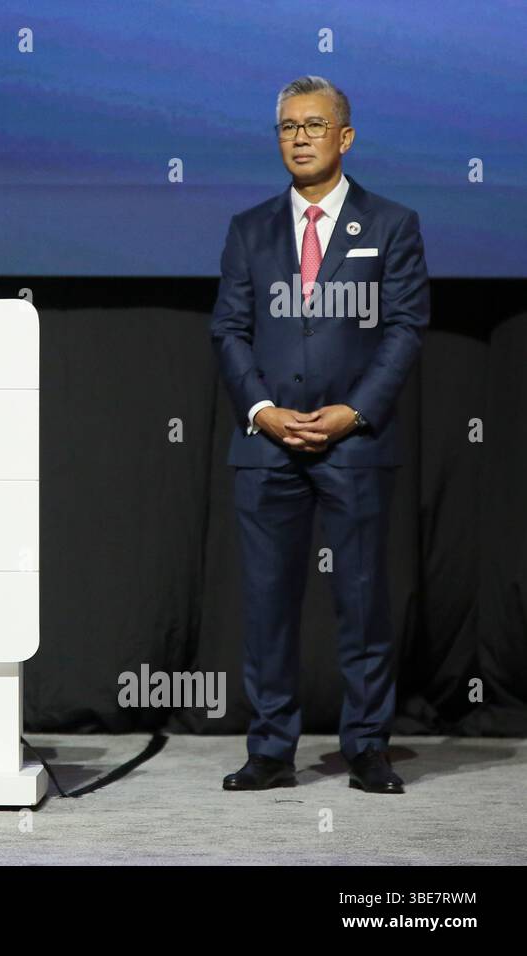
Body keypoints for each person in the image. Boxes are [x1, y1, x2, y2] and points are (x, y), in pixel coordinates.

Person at [211, 75, 429, 794]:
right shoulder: (249, 228)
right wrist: (262, 410)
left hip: (354, 442)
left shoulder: (392, 224)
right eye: (286, 128)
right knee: (268, 602)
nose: (299, 139)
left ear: (345, 137)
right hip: (266, 443)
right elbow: (230, 331)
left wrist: (354, 411)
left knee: (362, 598)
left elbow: (405, 329)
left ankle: (366, 745)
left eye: (313, 126)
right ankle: (271, 749)